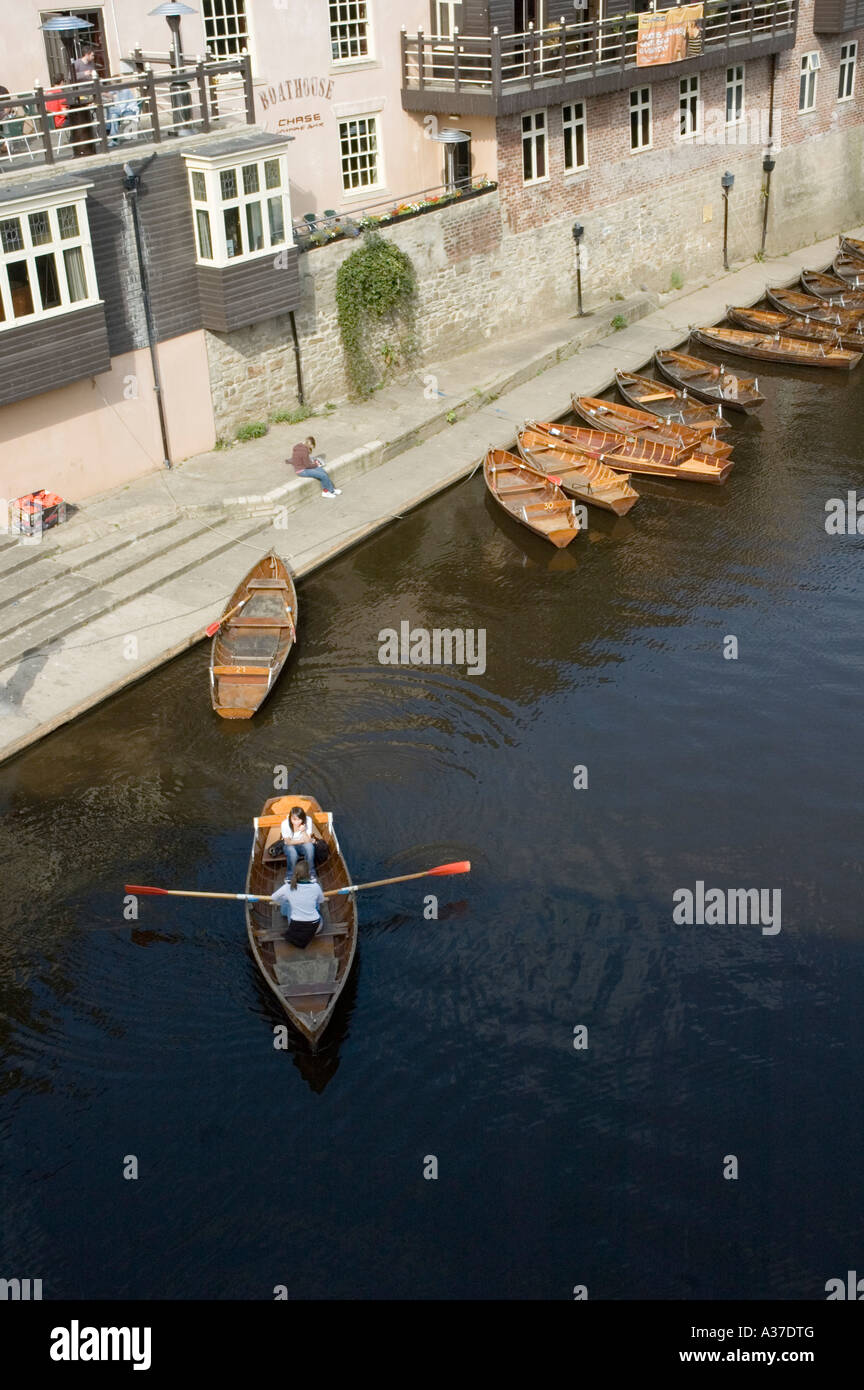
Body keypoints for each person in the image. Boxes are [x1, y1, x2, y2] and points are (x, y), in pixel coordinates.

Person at [271, 859, 326, 949]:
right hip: (316, 928)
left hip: (295, 928)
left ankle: (287, 905)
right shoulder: (316, 886)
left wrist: (285, 899)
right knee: (316, 904)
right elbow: (321, 901)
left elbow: (273, 898)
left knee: (287, 904)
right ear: (308, 873)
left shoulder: (287, 887)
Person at [69, 46, 98, 157]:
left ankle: (99, 132)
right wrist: (84, 74)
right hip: (81, 94)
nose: (94, 57)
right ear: (87, 54)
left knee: (102, 105)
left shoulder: (91, 64)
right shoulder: (77, 64)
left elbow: (94, 76)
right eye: (92, 55)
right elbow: (70, 76)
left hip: (91, 91)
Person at [279, 804, 320, 880]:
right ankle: (290, 875)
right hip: (289, 846)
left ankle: (311, 873)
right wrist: (303, 840)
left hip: (302, 844)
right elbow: (288, 842)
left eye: (299, 819)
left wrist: (303, 831)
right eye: (294, 819)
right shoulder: (285, 824)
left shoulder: (308, 820)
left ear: (303, 818)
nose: (297, 822)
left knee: (310, 847)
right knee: (292, 853)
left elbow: (307, 841)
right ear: (290, 818)